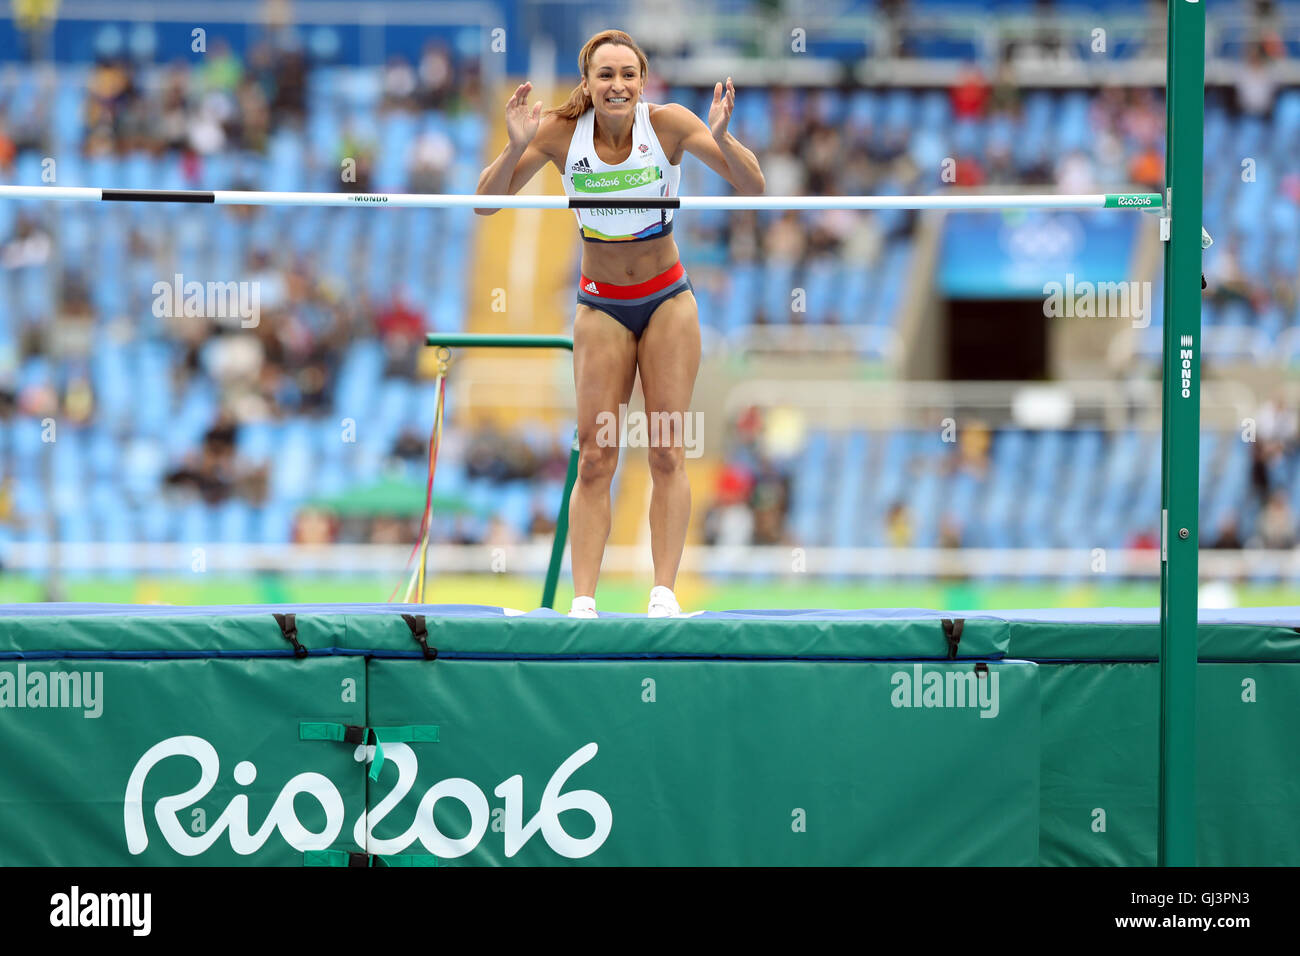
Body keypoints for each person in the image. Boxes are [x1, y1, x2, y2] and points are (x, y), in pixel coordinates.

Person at [474, 29, 764, 617]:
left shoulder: (672, 125)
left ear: (642, 80)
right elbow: (484, 202)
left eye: (628, 74)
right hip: (601, 304)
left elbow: (753, 185)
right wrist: (513, 148)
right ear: (588, 82)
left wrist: (725, 137)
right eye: (606, 75)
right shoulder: (559, 131)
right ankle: (584, 602)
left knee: (666, 451)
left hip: (666, 301)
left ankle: (663, 593)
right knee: (597, 455)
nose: (617, 85)